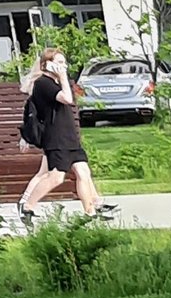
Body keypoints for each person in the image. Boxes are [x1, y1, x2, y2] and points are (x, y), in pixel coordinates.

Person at [16, 48, 117, 224]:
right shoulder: (43, 83)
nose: (63, 67)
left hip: (69, 137)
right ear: (46, 65)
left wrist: (61, 78)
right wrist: (63, 78)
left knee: (83, 172)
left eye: (64, 63)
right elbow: (66, 99)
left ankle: (91, 211)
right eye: (59, 63)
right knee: (56, 176)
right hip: (56, 138)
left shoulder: (53, 82)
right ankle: (27, 207)